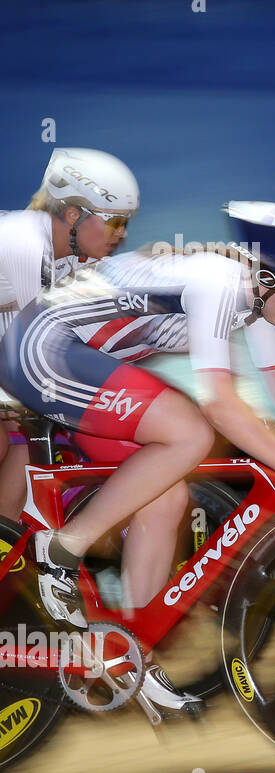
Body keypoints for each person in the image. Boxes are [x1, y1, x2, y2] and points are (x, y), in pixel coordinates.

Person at [0, 200, 275, 712]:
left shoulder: (259, 301)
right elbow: (219, 404)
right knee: (189, 432)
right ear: (270, 275)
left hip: (78, 361)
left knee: (166, 495)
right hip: (43, 347)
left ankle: (132, 653)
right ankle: (60, 550)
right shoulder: (220, 281)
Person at [0, 148, 139, 518]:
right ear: (73, 214)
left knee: (24, 438)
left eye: (126, 222)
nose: (122, 234)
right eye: (114, 222)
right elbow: (36, 343)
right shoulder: (23, 240)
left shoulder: (72, 255)